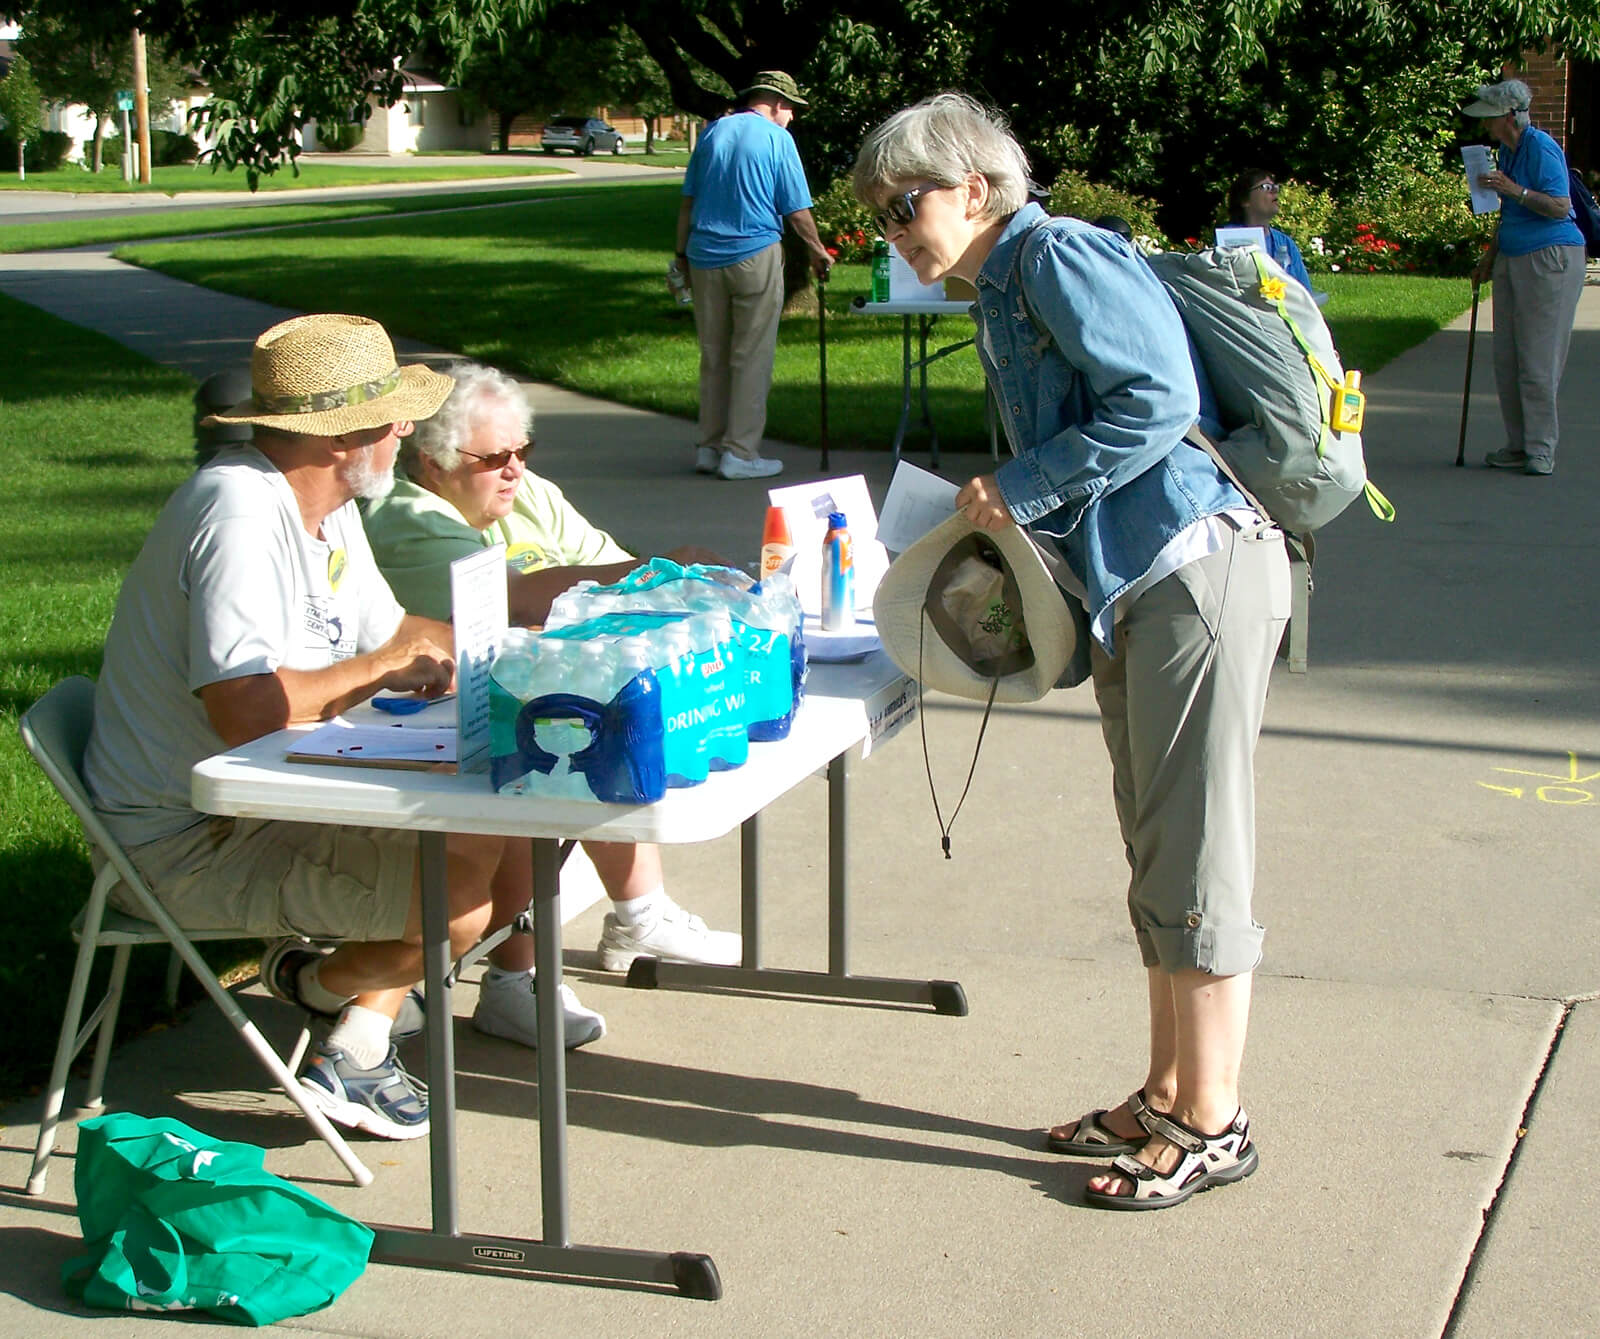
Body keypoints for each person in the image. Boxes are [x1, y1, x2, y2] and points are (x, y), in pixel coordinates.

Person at [853, 94, 1289, 1210]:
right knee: (1155, 839)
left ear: (974, 189)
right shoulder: (1003, 287)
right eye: (879, 215)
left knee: (1195, 846)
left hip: (1194, 569)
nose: (891, 231)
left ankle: (1213, 1119)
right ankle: (1166, 1090)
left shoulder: (1055, 256)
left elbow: (1158, 400)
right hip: (1137, 583)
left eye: (903, 205)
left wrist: (1022, 485)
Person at [84, 315, 595, 1146]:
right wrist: (381, 668)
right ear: (341, 436)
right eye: (393, 420)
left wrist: (528, 656)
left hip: (260, 799)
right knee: (459, 903)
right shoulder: (239, 515)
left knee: (501, 822)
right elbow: (246, 711)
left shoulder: (329, 506)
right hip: (186, 839)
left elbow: (396, 634)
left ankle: (337, 1012)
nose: (405, 434)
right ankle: (335, 1010)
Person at [362, 361, 743, 974]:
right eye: (494, 458)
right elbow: (516, 601)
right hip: (422, 729)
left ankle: (622, 924)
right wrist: (650, 572)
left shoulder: (525, 491)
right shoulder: (408, 518)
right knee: (553, 734)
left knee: (593, 705)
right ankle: (535, 970)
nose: (515, 468)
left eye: (523, 450)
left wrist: (649, 581)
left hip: (508, 705)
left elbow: (611, 572)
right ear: (434, 464)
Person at [675, 69, 832, 481]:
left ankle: (709, 447)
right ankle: (740, 453)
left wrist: (681, 256)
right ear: (777, 102)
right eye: (792, 108)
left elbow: (688, 202)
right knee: (751, 356)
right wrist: (817, 250)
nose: (792, 117)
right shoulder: (778, 138)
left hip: (703, 255)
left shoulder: (713, 132)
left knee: (714, 355)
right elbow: (797, 210)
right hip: (754, 253)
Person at [1464, 78, 1586, 477]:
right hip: (1513, 254)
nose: (1485, 124)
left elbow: (1560, 206)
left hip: (1551, 257)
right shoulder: (1507, 151)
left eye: (1490, 117)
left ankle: (1540, 449)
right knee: (1508, 358)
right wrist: (1489, 257)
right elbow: (1509, 214)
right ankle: (1518, 445)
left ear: (1510, 117)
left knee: (1537, 360)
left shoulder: (1541, 147)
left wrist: (1514, 190)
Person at [1224, 167, 1314, 293]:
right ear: (1245, 200)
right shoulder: (1228, 241)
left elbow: (1306, 294)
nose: (1275, 191)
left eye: (1275, 187)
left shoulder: (1286, 243)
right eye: (1266, 187)